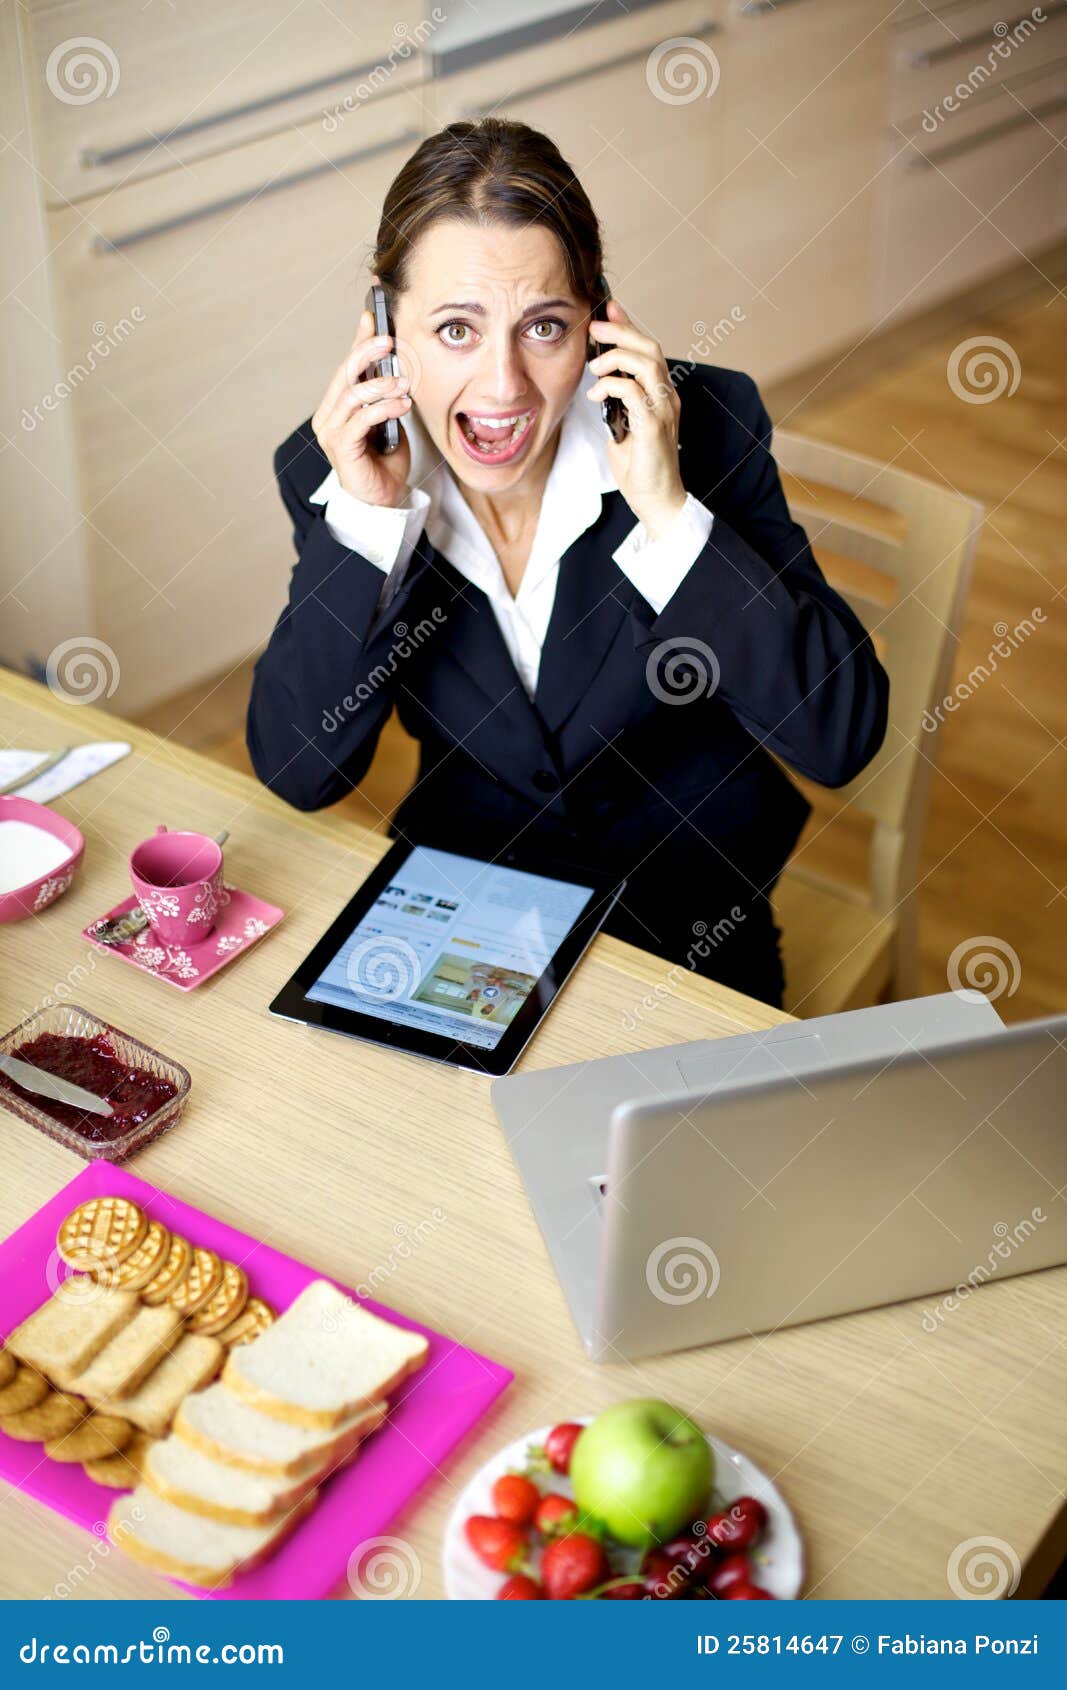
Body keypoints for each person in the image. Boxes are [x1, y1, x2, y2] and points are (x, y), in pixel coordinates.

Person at [247, 119, 889, 1009]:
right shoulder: (338, 471)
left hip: (691, 919)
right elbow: (299, 769)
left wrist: (668, 509)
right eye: (456, 330)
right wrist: (366, 522)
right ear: (386, 328)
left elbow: (839, 734)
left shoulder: (702, 426)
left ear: (597, 321)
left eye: (542, 326)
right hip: (468, 912)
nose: (504, 386)